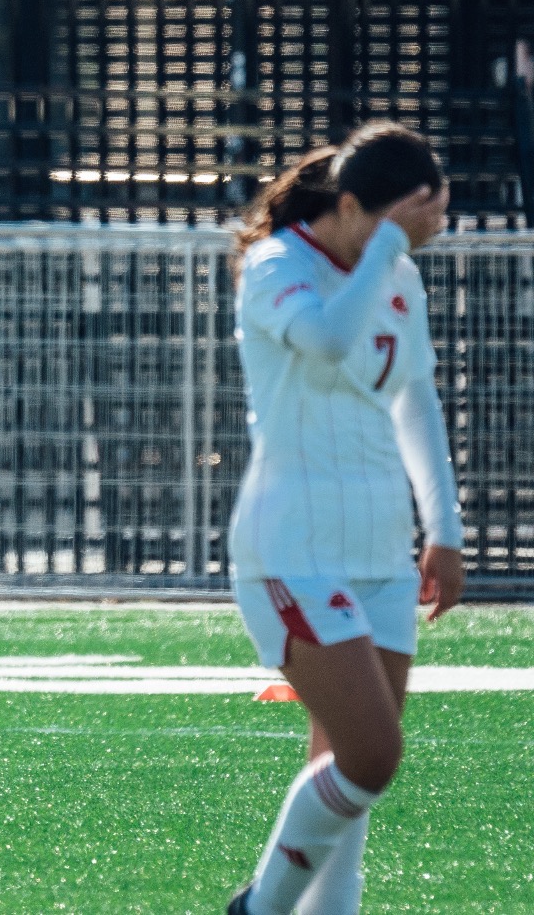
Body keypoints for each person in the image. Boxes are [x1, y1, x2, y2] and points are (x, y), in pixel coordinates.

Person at [222, 124, 465, 915]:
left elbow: (416, 400)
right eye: (409, 221)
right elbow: (327, 341)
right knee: (371, 754)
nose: (418, 239)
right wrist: (389, 243)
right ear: (351, 205)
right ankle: (260, 908)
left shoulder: (395, 272)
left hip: (381, 550)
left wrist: (446, 530)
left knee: (348, 766)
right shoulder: (277, 265)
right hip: (293, 546)